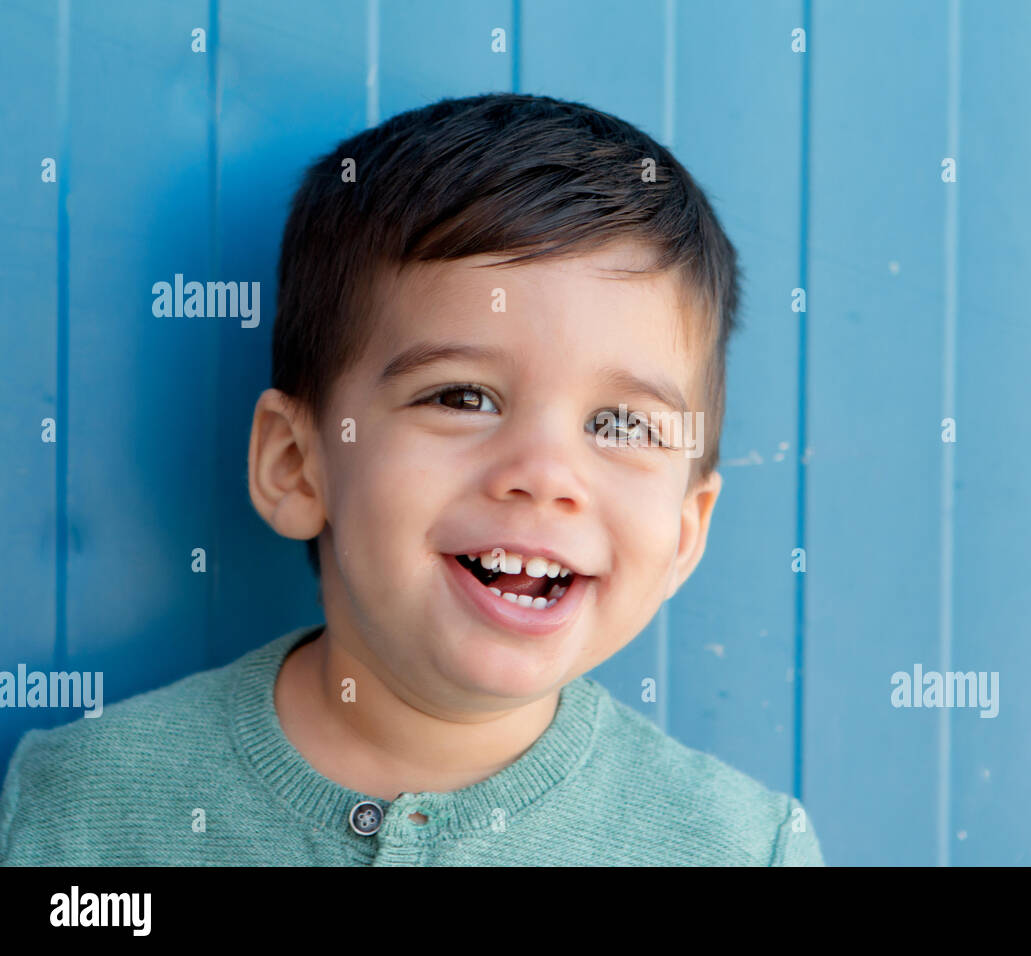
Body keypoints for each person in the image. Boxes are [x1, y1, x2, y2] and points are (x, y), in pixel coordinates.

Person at [0, 93, 824, 866]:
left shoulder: (739, 848)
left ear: (686, 528)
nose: (544, 477)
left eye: (619, 426)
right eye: (463, 397)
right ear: (296, 465)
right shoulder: (85, 809)